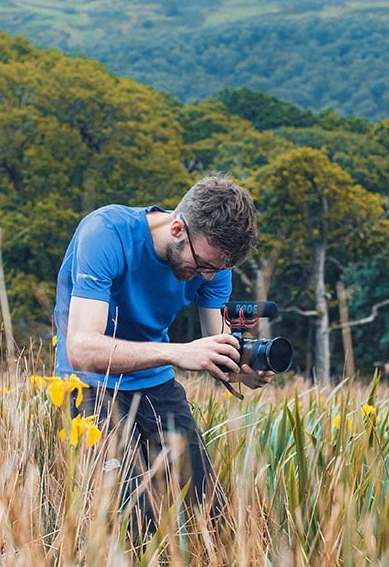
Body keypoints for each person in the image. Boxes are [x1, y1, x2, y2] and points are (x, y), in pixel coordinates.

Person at [53, 175, 274, 530]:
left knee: (208, 511)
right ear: (177, 229)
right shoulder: (106, 234)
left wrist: (242, 369)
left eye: (217, 270)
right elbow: (81, 348)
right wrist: (178, 353)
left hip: (154, 381)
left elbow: (216, 343)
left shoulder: (213, 267)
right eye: (203, 265)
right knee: (131, 515)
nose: (207, 277)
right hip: (90, 381)